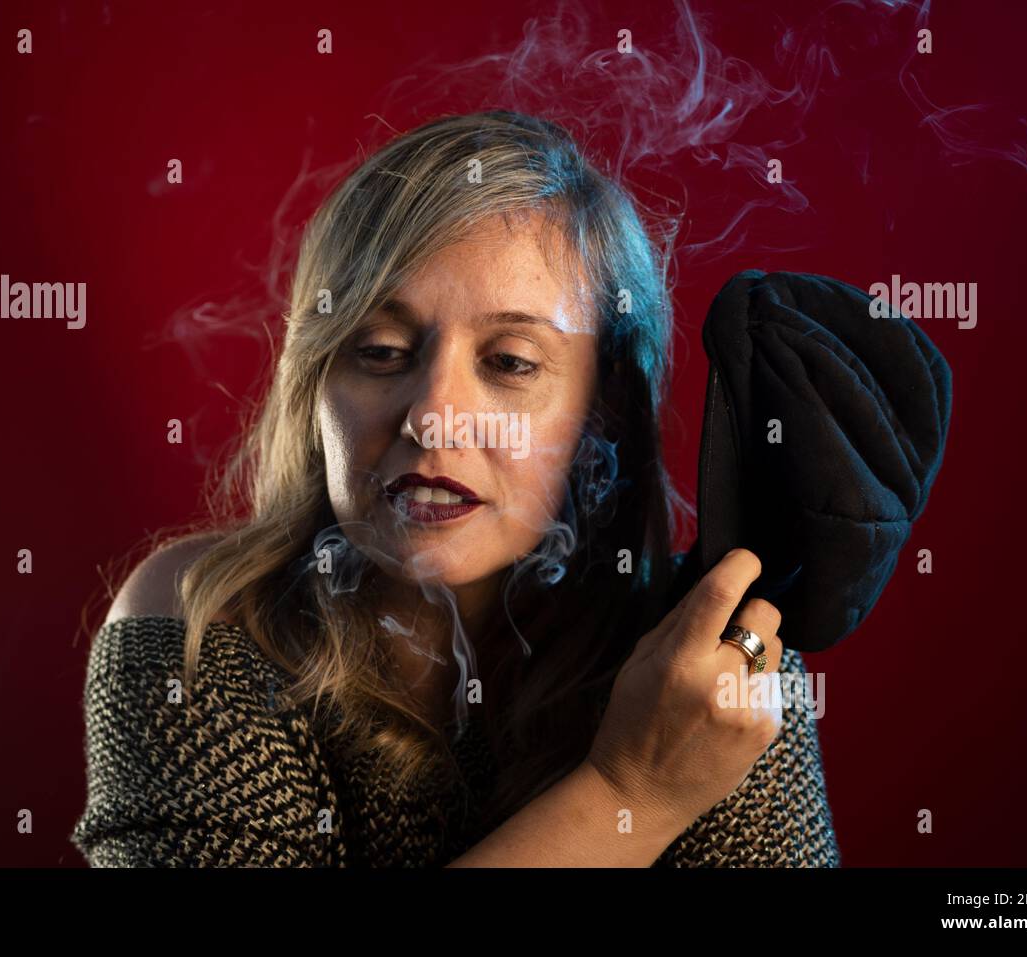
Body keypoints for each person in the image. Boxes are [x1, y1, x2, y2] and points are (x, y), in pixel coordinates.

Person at [70, 110, 840, 867]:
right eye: (379, 349)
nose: (434, 419)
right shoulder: (202, 622)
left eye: (509, 362)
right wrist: (630, 792)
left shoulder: (704, 662)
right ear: (314, 377)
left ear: (600, 411)